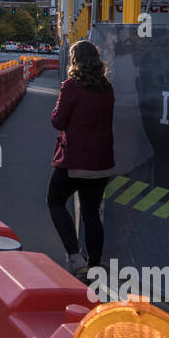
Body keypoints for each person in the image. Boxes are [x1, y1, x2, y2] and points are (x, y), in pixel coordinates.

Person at [47, 40, 115, 279]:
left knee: (55, 201)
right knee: (91, 213)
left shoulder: (71, 86)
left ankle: (75, 258)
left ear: (74, 60)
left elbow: (58, 121)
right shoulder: (106, 88)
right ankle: (95, 265)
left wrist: (58, 109)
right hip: (101, 162)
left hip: (74, 159)